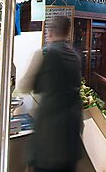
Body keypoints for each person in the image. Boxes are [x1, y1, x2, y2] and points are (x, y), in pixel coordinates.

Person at [26, 16, 83, 172]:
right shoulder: (75, 57)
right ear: (68, 32)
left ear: (49, 33)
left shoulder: (47, 54)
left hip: (49, 140)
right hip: (70, 137)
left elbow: (29, 85)